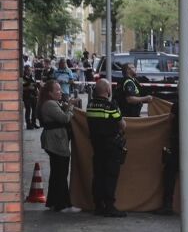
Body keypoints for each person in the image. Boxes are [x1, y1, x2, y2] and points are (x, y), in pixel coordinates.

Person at [156, 82, 188, 215]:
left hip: (180, 141)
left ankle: (167, 205)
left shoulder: (177, 105)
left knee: (170, 172)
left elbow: (170, 121)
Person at [38, 81, 80, 213]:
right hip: (56, 143)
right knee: (61, 174)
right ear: (50, 93)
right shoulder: (49, 104)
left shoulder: (50, 103)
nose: (60, 92)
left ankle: (54, 202)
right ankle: (63, 205)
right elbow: (64, 119)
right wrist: (71, 107)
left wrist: (67, 105)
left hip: (55, 141)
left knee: (57, 174)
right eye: (57, 90)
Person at [87, 79, 127, 217]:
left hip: (96, 145)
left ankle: (98, 205)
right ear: (108, 90)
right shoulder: (111, 105)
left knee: (98, 175)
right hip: (111, 146)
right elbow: (122, 125)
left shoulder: (90, 105)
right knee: (110, 176)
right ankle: (109, 206)